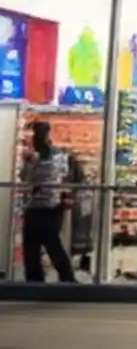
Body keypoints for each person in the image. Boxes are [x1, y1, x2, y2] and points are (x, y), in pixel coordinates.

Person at [18, 121, 77, 283]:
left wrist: (28, 162)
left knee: (33, 245)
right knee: (52, 242)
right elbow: (65, 175)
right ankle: (66, 276)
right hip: (53, 203)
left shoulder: (34, 157)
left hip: (37, 204)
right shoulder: (60, 155)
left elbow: (25, 178)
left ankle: (35, 278)